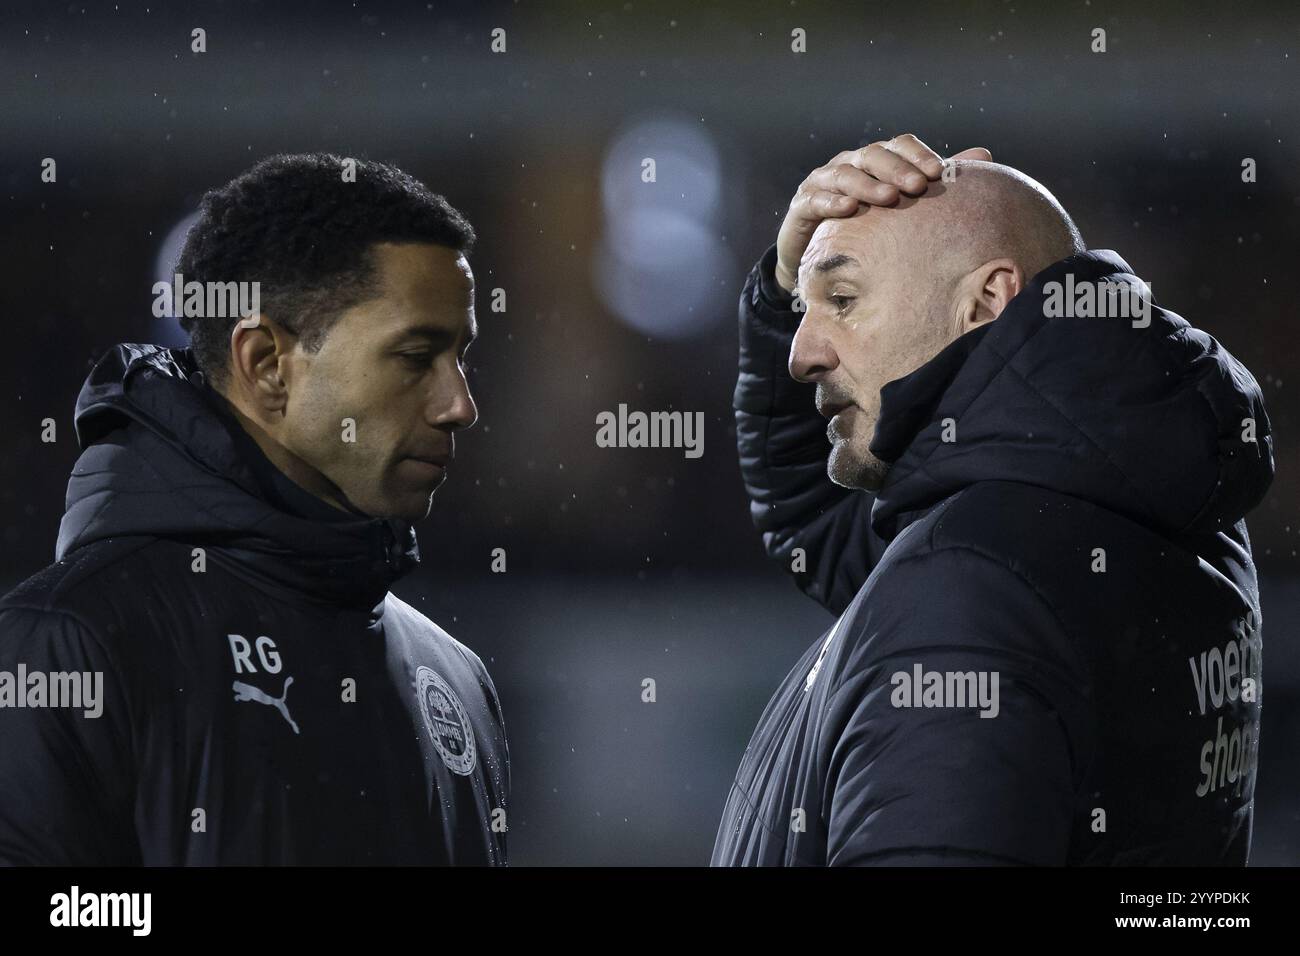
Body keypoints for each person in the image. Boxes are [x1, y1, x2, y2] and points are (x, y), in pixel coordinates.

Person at [713, 135, 1274, 865]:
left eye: (843, 300)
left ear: (986, 299)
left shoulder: (965, 592)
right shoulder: (1152, 499)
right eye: (804, 308)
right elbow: (835, 534)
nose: (800, 352)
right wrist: (785, 280)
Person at [0, 153, 509, 865]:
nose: (460, 404)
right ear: (267, 363)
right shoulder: (68, 642)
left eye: (461, 358)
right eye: (416, 356)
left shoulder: (455, 678)